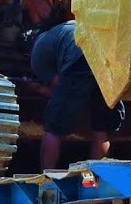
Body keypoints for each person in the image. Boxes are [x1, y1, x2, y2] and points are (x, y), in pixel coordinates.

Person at [29, 20, 120, 171]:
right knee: (101, 128)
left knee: (53, 127)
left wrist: (37, 89)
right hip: (108, 56)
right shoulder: (61, 30)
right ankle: (96, 179)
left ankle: (47, 178)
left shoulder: (36, 55)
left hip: (80, 58)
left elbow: (58, 87)